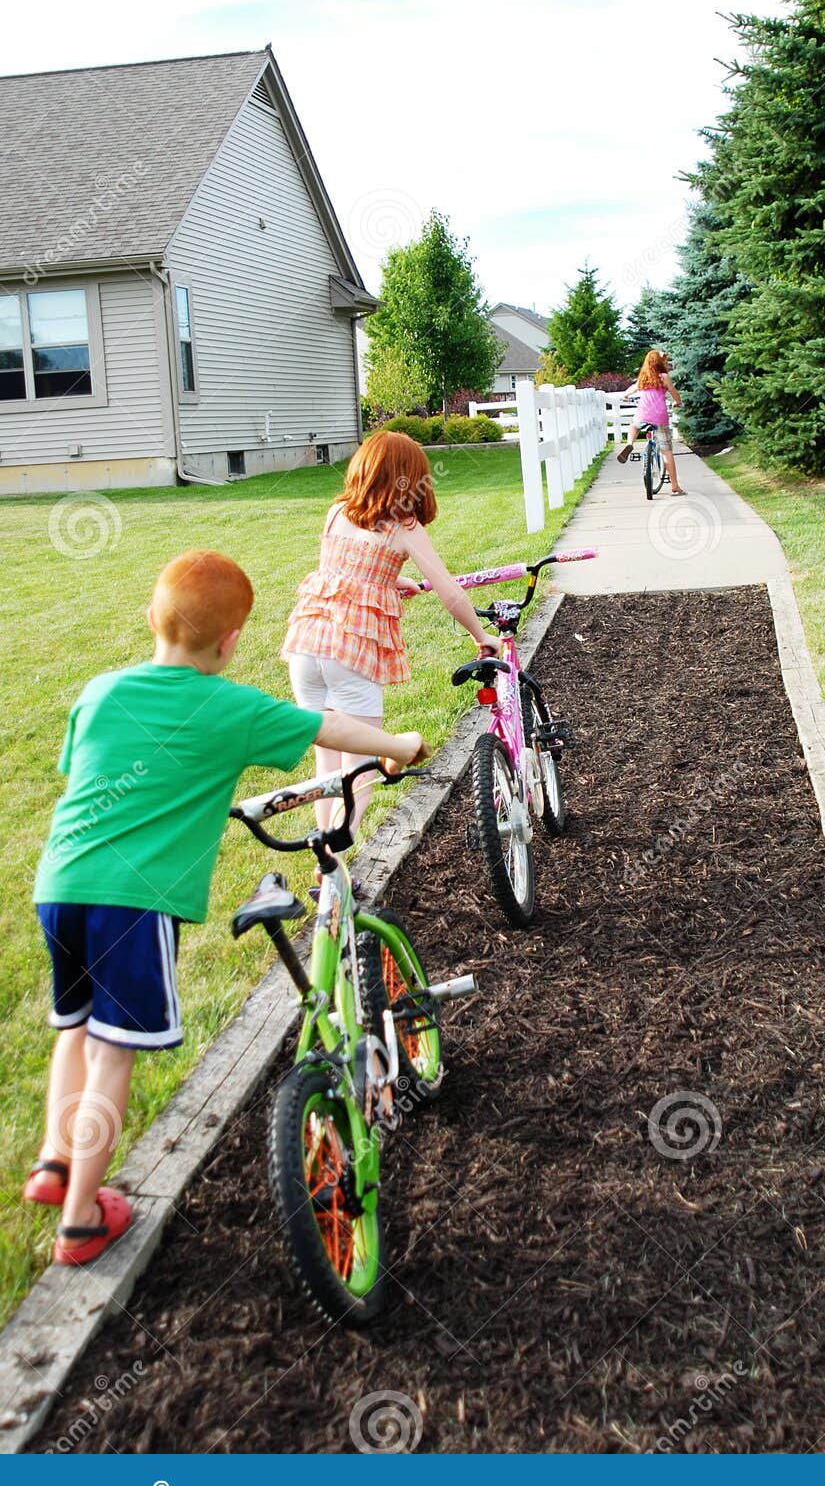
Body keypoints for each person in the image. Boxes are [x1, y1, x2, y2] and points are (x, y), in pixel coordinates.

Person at [27, 549, 427, 1266]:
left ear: (151, 617)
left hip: (59, 886)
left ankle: (56, 1160)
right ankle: (82, 1219)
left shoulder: (101, 690)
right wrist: (398, 744)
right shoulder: (231, 708)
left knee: (76, 1030)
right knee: (116, 1052)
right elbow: (329, 729)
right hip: (131, 906)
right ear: (232, 641)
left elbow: (75, 772)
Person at [283, 429, 499, 835]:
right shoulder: (404, 526)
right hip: (350, 650)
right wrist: (479, 634)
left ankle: (327, 863)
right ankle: (335, 851)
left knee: (326, 756)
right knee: (362, 761)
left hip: (306, 645)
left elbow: (342, 572)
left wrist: (391, 581)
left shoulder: (337, 512)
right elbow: (450, 592)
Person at [616, 349, 685, 494]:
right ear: (661, 363)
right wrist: (677, 402)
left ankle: (629, 443)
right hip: (659, 417)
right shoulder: (664, 377)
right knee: (667, 452)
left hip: (643, 415)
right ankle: (675, 486)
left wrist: (626, 396)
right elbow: (673, 392)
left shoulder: (643, 378)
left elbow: (629, 391)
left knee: (634, 426)